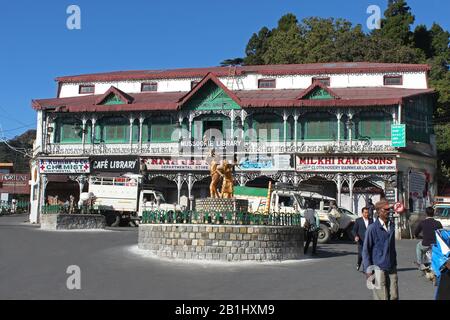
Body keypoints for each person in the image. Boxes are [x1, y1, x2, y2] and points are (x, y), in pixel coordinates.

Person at [362, 199, 398, 300]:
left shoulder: (392, 226)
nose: (389, 211)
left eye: (389, 209)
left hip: (391, 266)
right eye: (386, 210)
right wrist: (368, 270)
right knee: (382, 297)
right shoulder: (372, 228)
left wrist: (394, 262)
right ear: (379, 212)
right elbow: (365, 250)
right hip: (377, 268)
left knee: (394, 295)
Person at [352, 207, 374, 271]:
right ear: (362, 213)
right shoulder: (358, 220)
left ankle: (366, 268)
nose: (367, 214)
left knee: (367, 254)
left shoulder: (371, 220)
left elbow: (373, 230)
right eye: (365, 212)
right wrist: (356, 236)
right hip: (361, 241)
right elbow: (354, 230)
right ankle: (358, 263)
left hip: (369, 241)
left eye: (368, 212)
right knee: (361, 255)